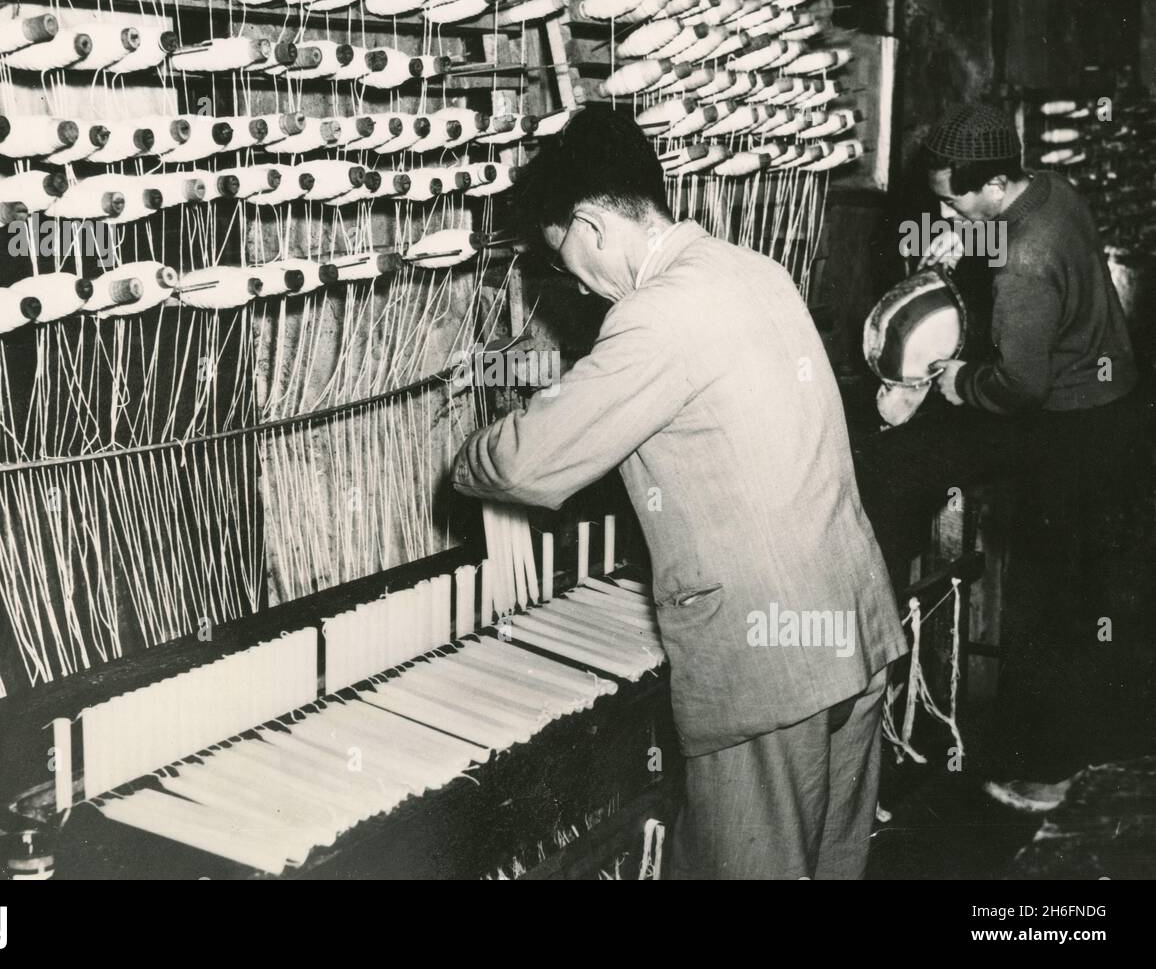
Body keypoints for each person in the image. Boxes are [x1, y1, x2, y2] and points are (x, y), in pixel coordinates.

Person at [451, 106, 906, 879]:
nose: (577, 285)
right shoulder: (751, 269)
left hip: (771, 670)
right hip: (852, 634)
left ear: (592, 225)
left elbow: (525, 462)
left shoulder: (656, 314)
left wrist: (465, 454)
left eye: (562, 260)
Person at [922, 103, 1149, 791]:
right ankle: (1100, 747)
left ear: (989, 186)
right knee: (1095, 595)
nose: (946, 215)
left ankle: (1040, 772)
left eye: (950, 202)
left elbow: (1020, 384)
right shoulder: (1051, 188)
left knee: (1044, 606)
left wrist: (959, 381)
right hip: (1121, 412)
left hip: (1071, 436)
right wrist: (974, 239)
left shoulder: (1020, 265)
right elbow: (1028, 235)